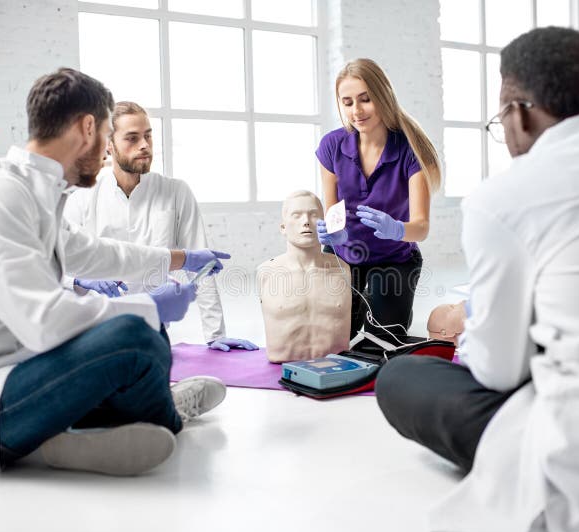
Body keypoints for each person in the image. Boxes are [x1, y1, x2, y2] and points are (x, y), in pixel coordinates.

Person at [375, 27, 579, 532]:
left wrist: (485, 325)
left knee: (400, 378)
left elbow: (499, 373)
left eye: (500, 119)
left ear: (517, 112)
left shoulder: (502, 197)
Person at [0, 68, 231, 476]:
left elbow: (91, 252)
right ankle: (163, 416)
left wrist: (181, 258)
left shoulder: (30, 189)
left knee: (146, 334)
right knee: (134, 335)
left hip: (3, 373)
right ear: (87, 127)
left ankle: (88, 429)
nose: (107, 152)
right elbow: (42, 322)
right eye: (109, 134)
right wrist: (147, 304)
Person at [64, 101, 257, 353]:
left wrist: (215, 335)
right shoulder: (81, 195)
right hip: (95, 328)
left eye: (148, 136)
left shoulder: (176, 192)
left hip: (152, 327)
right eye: (132, 138)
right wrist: (80, 278)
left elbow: (200, 266)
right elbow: (51, 265)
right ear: (108, 145)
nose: (144, 145)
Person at [315, 58, 440, 342]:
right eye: (347, 103)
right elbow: (332, 210)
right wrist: (332, 232)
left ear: (383, 96)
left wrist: (397, 229)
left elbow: (421, 227)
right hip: (343, 255)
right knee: (331, 339)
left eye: (365, 99)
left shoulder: (411, 150)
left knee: (381, 340)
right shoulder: (332, 146)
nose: (356, 111)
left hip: (393, 260)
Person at [258, 191, 351, 362]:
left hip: (335, 366)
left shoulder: (342, 269)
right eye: (297, 215)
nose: (306, 222)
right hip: (282, 366)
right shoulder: (266, 272)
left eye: (313, 214)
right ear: (283, 228)